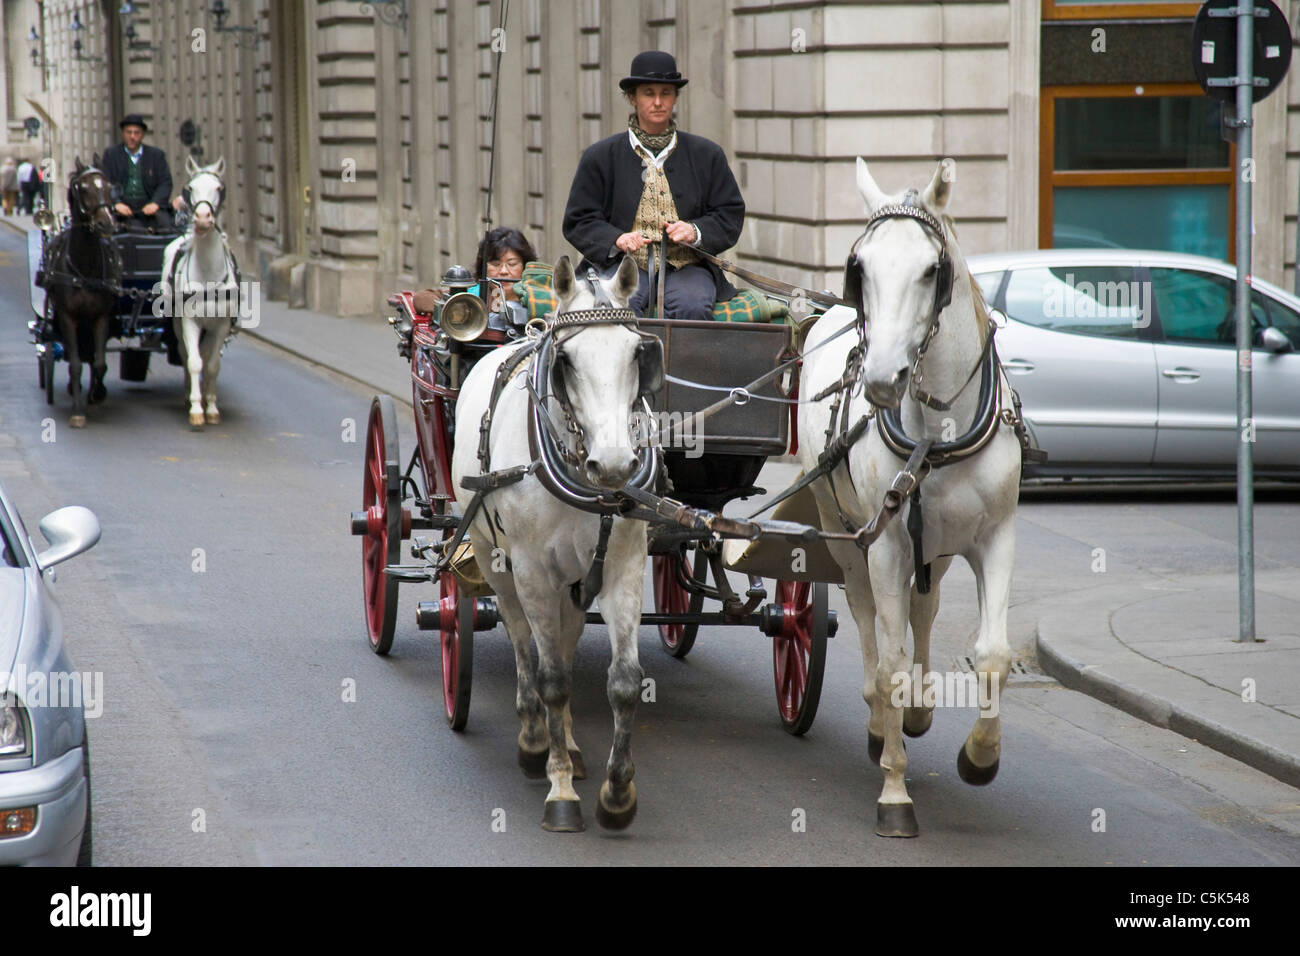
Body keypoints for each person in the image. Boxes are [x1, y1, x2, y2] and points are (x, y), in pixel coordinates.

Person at [562, 50, 745, 322]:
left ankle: (683, 367)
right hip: (621, 266)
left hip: (689, 266)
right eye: (649, 93)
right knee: (617, 307)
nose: (658, 102)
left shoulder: (707, 155)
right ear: (633, 98)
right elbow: (579, 220)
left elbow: (729, 213)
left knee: (693, 307)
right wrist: (616, 238)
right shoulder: (600, 156)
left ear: (675, 98)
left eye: (666, 93)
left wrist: (694, 230)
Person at [100, 114, 184, 232]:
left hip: (149, 209)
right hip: (122, 210)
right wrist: (116, 203)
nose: (132, 137)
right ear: (123, 133)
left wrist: (155, 203)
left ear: (143, 134)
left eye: (136, 133)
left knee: (168, 229)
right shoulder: (111, 155)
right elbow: (106, 182)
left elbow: (165, 182)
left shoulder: (156, 155)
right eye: (128, 132)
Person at [473, 226, 538, 311]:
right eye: (496, 264)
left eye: (512, 264)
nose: (504, 271)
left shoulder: (538, 301)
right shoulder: (471, 299)